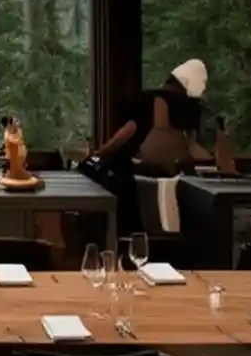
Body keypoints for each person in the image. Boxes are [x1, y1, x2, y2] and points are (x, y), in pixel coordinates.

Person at [82, 58, 210, 232]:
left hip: (140, 181)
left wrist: (99, 154)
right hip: (172, 182)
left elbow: (127, 132)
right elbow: (193, 148)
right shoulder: (189, 110)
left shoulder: (152, 101)